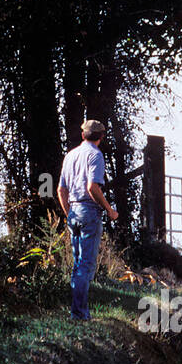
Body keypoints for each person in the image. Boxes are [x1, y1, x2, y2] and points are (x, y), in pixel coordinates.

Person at [57, 119, 119, 321]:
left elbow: (60, 190)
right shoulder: (96, 155)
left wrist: (69, 213)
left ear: (83, 135)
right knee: (85, 265)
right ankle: (80, 314)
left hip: (73, 211)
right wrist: (109, 210)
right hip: (88, 212)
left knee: (77, 265)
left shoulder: (70, 155)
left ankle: (77, 311)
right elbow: (92, 187)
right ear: (101, 137)